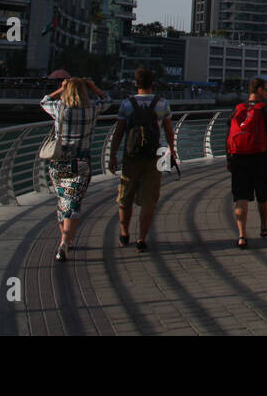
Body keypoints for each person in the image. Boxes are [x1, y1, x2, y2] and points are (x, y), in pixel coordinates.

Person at [107, 67, 176, 252]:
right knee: (149, 199)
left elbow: (119, 132)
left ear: (135, 83)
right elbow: (169, 131)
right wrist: (172, 150)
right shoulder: (162, 104)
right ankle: (142, 238)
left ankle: (124, 233)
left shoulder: (126, 104)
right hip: (156, 155)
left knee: (125, 196)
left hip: (131, 155)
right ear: (152, 83)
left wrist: (113, 155)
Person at [40, 76, 108, 261]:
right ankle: (65, 241)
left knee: (63, 200)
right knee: (74, 202)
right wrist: (93, 86)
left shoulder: (58, 108)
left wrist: (60, 89)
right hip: (81, 162)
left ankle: (66, 239)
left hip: (58, 162)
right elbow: (107, 100)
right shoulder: (92, 109)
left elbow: (44, 101)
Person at [226, 77, 267, 248]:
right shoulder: (266, 109)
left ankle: (242, 236)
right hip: (260, 158)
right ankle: (263, 227)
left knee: (241, 196)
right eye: (266, 89)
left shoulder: (237, 109)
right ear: (260, 90)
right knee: (262, 195)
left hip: (238, 158)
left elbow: (228, 137)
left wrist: (229, 160)